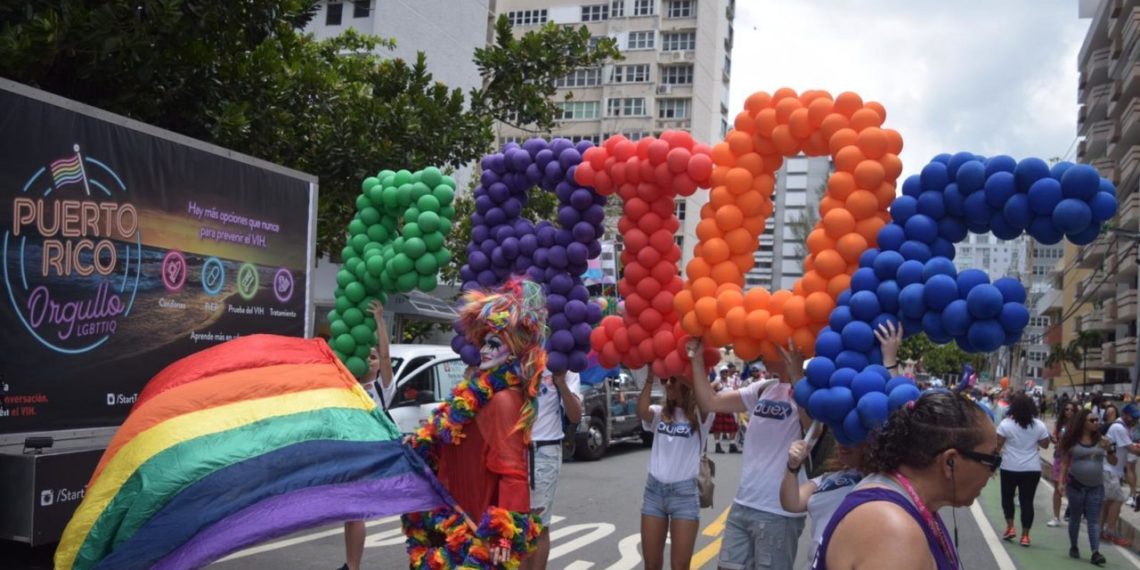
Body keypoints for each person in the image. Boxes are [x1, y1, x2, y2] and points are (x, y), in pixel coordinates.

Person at [402, 278, 547, 568]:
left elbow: (513, 471)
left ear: (515, 349)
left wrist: (504, 535)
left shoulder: (503, 400)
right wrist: (422, 445)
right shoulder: (476, 390)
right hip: (449, 513)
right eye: (484, 342)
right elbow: (452, 437)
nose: (484, 349)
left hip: (473, 524)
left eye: (495, 343)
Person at [812, 391, 1000, 570]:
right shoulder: (892, 530)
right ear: (949, 462)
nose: (992, 474)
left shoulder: (905, 503)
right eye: (991, 460)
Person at [689, 336, 809, 570]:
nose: (764, 352)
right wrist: (696, 360)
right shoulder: (764, 388)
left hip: (779, 511)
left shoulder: (810, 391)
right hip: (744, 504)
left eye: (773, 346)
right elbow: (711, 402)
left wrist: (796, 378)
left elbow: (813, 422)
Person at [338, 300, 396, 570]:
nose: (370, 361)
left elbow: (385, 356)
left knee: (356, 511)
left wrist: (380, 321)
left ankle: (353, 565)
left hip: (372, 456)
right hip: (352, 452)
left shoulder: (383, 386)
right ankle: (351, 564)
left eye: (372, 358)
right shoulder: (351, 385)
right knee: (350, 514)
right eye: (367, 356)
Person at [636, 368, 714, 570]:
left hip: (685, 496)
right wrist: (650, 379)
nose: (667, 384)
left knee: (680, 565)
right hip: (654, 493)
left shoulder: (701, 415)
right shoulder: (659, 413)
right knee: (652, 564)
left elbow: (703, 396)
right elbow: (641, 411)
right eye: (666, 381)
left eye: (672, 381)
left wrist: (680, 371)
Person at [521, 366, 582, 570]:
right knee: (514, 523)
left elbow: (575, 416)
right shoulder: (515, 359)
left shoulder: (564, 365)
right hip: (512, 451)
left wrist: (561, 382)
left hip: (544, 451)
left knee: (538, 525)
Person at [1059, 408, 1117, 565]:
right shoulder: (1071, 440)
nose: (1096, 423)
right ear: (1083, 422)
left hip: (1096, 486)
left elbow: (1114, 462)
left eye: (1097, 420)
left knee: (1093, 520)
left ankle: (1095, 552)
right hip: (1076, 485)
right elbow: (1064, 462)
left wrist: (1110, 450)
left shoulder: (1103, 440)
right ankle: (1074, 546)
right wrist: (1060, 482)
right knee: (1075, 518)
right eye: (1092, 420)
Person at [995, 393, 1050, 546]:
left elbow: (998, 446)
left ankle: (1010, 527)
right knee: (1027, 501)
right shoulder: (1039, 425)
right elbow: (1045, 444)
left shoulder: (1006, 424)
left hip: (1010, 467)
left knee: (1007, 498)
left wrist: (992, 463)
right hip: (1032, 468)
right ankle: (1025, 536)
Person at [1099, 403, 1140, 547]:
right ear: (1125, 415)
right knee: (1118, 499)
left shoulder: (1124, 428)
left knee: (1107, 502)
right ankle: (1111, 532)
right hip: (1109, 469)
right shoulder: (1119, 428)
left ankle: (1100, 530)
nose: (1136, 420)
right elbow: (1132, 449)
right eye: (1133, 417)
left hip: (1112, 470)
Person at [1047, 400, 1078, 527]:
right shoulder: (1059, 424)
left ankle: (1072, 515)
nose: (1069, 412)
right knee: (1057, 488)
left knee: (1074, 489)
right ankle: (1056, 516)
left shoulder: (1079, 426)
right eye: (1067, 409)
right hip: (1060, 457)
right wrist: (1054, 440)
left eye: (1072, 409)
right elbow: (1056, 439)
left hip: (1075, 459)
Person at [710, 366, 740, 454]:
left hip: (730, 407)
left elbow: (736, 391)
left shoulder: (731, 382)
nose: (725, 374)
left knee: (733, 427)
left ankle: (732, 445)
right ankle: (717, 445)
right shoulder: (717, 382)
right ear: (720, 373)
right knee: (718, 428)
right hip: (720, 407)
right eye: (723, 372)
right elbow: (709, 389)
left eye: (726, 372)